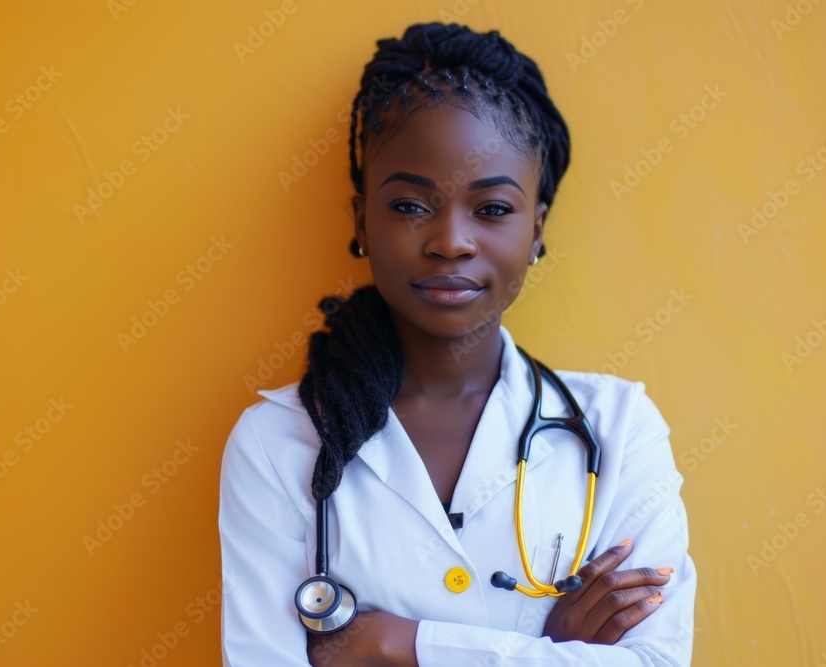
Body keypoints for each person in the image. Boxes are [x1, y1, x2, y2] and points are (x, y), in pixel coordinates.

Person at [219, 22, 696, 666]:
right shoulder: (277, 445)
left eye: (493, 209)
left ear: (536, 230)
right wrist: (547, 650)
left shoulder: (620, 429)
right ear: (362, 221)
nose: (451, 240)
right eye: (412, 206)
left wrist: (396, 644)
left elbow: (657, 663)